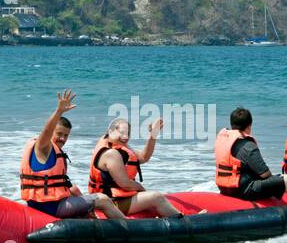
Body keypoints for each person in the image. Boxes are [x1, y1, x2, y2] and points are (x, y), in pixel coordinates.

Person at [21, 90, 126, 220]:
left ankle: (95, 223)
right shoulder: (43, 147)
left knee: (75, 191)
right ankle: (132, 228)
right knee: (103, 199)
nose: (62, 139)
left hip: (43, 204)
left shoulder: (53, 151)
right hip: (51, 207)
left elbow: (67, 187)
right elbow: (46, 131)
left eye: (66, 135)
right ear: (51, 133)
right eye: (59, 134)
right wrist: (59, 111)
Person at [88, 116, 180, 217]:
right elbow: (125, 184)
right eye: (122, 133)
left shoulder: (114, 142)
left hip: (118, 198)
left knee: (153, 196)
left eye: (128, 134)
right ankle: (185, 224)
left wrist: (153, 134)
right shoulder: (111, 154)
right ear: (110, 131)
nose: (125, 137)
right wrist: (142, 189)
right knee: (156, 197)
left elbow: (143, 157)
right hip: (112, 203)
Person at [215, 107, 287, 204]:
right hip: (243, 190)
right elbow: (265, 174)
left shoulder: (223, 140)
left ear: (232, 124)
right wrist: (277, 183)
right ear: (249, 126)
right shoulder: (247, 145)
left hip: (224, 188)